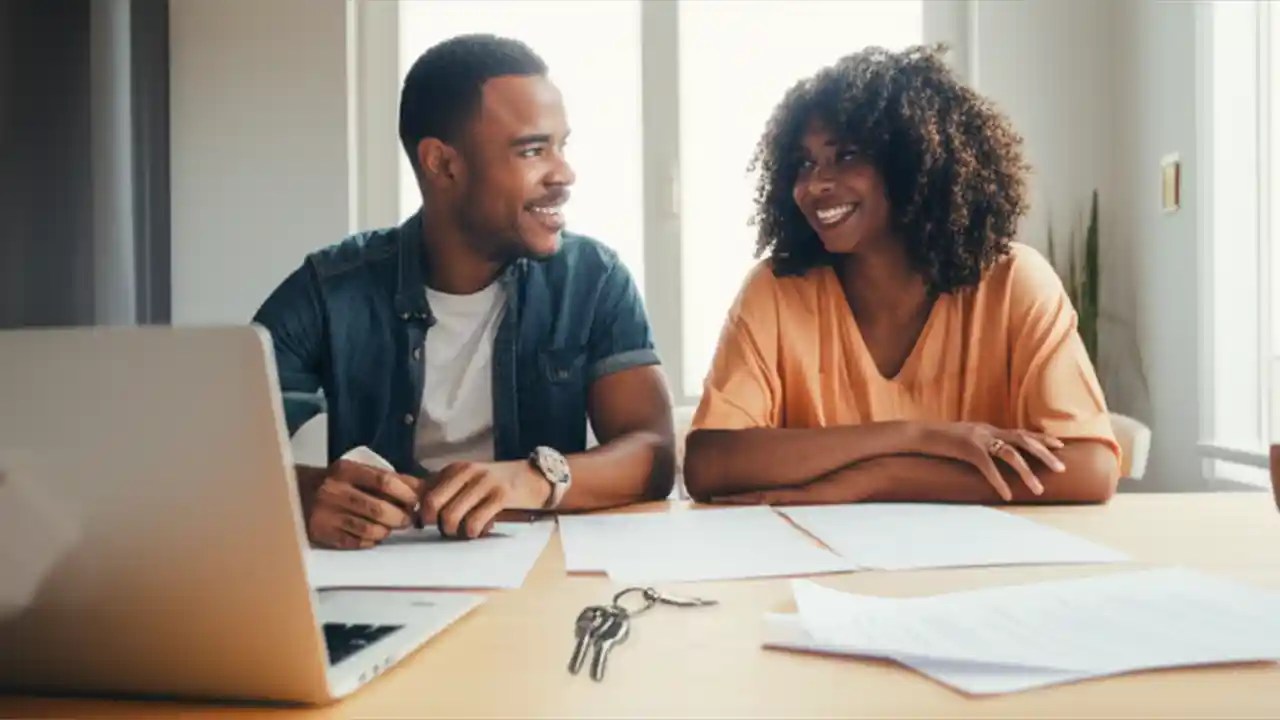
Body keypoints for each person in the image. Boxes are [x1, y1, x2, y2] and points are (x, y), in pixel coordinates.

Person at [253, 35, 675, 547]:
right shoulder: (331, 290)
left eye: (562, 146)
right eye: (533, 150)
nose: (564, 173)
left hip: (541, 575)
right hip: (377, 579)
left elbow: (653, 454)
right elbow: (212, 461)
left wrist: (533, 478)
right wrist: (309, 492)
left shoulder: (594, 278)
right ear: (443, 164)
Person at [683, 45, 1120, 506]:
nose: (815, 185)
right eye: (804, 163)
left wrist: (880, 479)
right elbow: (711, 463)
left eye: (846, 156)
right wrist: (922, 437)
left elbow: (1089, 467)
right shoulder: (776, 289)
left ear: (914, 165)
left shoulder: (1014, 281)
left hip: (983, 566)